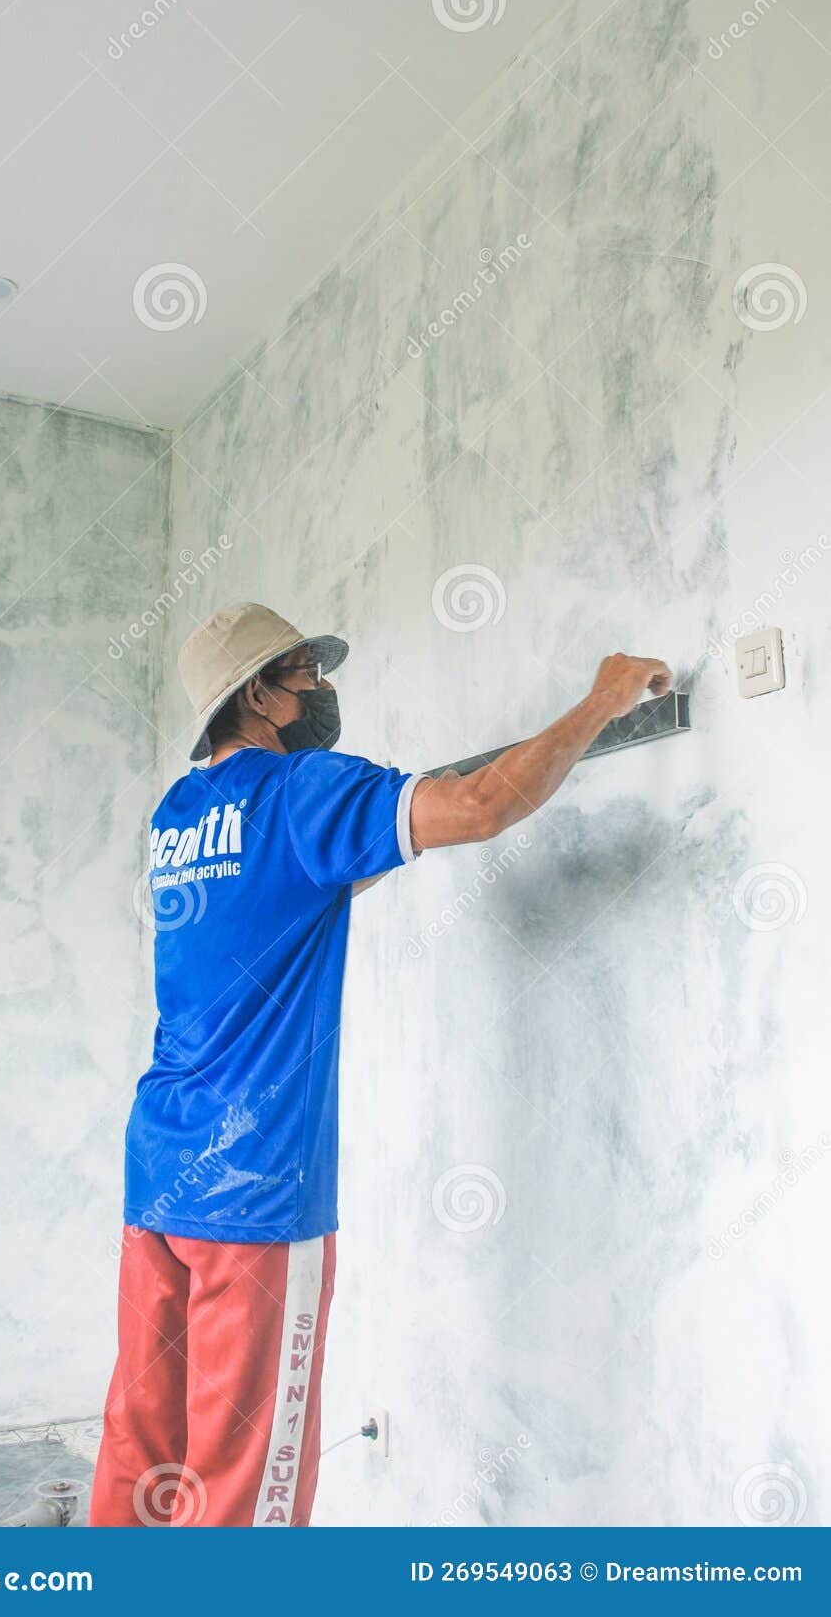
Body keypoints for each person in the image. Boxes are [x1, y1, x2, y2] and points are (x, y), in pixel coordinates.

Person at [89, 601, 671, 1527]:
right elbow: (477, 810)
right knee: (244, 1480)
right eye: (306, 674)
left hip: (159, 1169)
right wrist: (603, 698)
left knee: (142, 1445)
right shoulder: (304, 790)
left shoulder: (179, 817)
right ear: (259, 696)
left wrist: (401, 816)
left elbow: (308, 882)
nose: (322, 689)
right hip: (254, 1191)